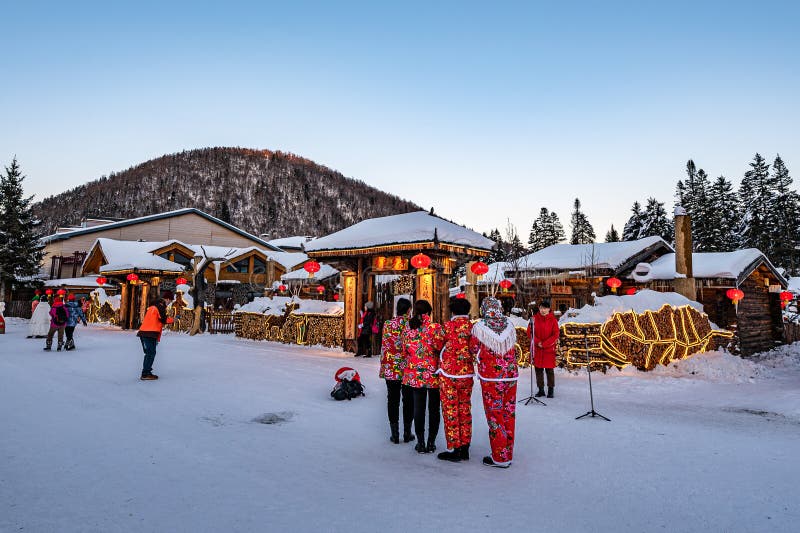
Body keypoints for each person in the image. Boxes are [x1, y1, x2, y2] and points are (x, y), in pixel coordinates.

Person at [471, 297, 518, 468]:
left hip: (491, 377)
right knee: (508, 413)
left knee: (495, 415)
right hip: (511, 375)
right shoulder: (510, 325)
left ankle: (499, 456)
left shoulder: (480, 327)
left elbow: (474, 350)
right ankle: (508, 453)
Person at [401, 299, 445, 453]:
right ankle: (431, 442)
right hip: (433, 374)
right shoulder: (435, 328)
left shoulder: (408, 329)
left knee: (418, 408)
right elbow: (440, 348)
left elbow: (404, 351)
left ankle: (420, 443)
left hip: (414, 374)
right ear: (429, 312)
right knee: (434, 409)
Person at [436, 297, 475, 463]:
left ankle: (455, 448)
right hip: (467, 374)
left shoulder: (447, 326)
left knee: (451, 409)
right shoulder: (473, 327)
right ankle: (465, 447)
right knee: (465, 408)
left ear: (452, 311)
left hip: (449, 374)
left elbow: (437, 345)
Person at [379, 298, 414, 444]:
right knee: (408, 400)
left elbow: (385, 344)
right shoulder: (411, 324)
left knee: (392, 400)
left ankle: (395, 434)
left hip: (390, 367)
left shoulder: (388, 324)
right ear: (409, 310)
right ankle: (407, 433)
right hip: (407, 368)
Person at [137, 290, 174, 380]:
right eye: (171, 301)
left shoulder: (154, 305)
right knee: (150, 354)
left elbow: (157, 321)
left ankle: (146, 372)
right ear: (168, 299)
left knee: (149, 353)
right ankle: (145, 374)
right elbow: (164, 320)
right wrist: (173, 319)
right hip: (149, 333)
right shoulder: (160, 306)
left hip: (145, 332)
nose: (170, 303)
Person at [529, 299, 560, 398]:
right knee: (538, 370)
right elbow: (529, 332)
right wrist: (538, 342)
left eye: (545, 308)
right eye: (542, 308)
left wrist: (545, 344)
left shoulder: (553, 320)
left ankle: (551, 390)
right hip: (537, 349)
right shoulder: (534, 319)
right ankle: (541, 390)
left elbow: (556, 334)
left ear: (549, 309)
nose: (543, 310)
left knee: (549, 371)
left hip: (548, 349)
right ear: (539, 308)